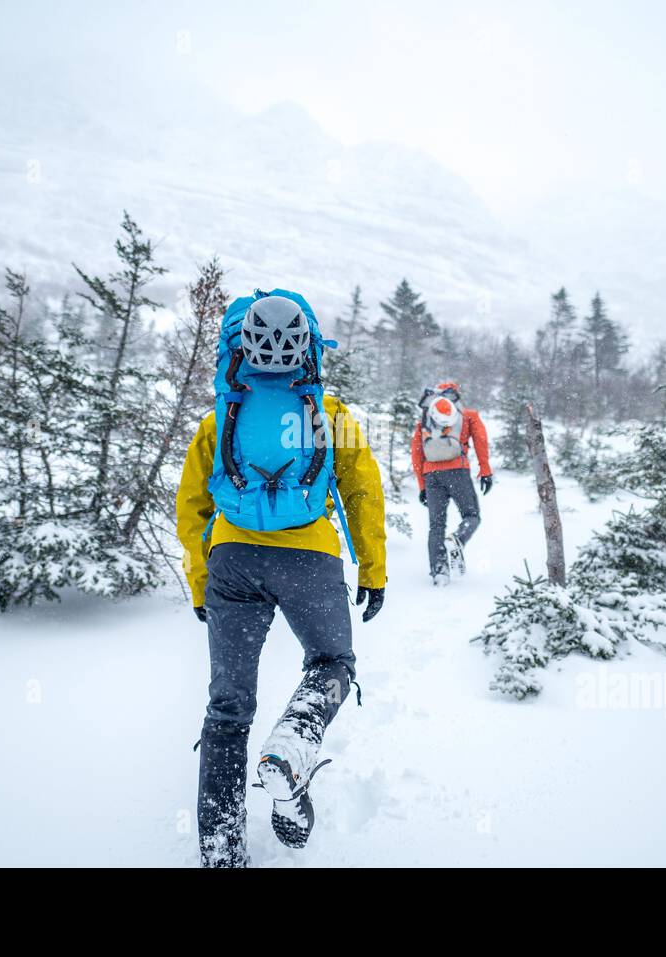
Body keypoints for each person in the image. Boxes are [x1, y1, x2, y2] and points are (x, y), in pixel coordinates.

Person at [176, 291, 387, 868]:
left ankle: (221, 853)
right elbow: (363, 493)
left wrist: (201, 584)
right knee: (331, 663)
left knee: (227, 711)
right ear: (312, 347)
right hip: (310, 562)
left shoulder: (220, 419)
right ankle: (294, 745)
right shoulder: (332, 414)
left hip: (232, 562)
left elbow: (191, 507)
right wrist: (373, 569)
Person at [411, 381, 493, 584]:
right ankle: (458, 538)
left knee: (436, 525)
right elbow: (481, 440)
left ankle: (440, 573)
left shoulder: (425, 419)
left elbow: (416, 453)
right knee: (472, 515)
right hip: (458, 471)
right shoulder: (468, 415)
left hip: (432, 475)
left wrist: (422, 485)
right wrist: (485, 470)